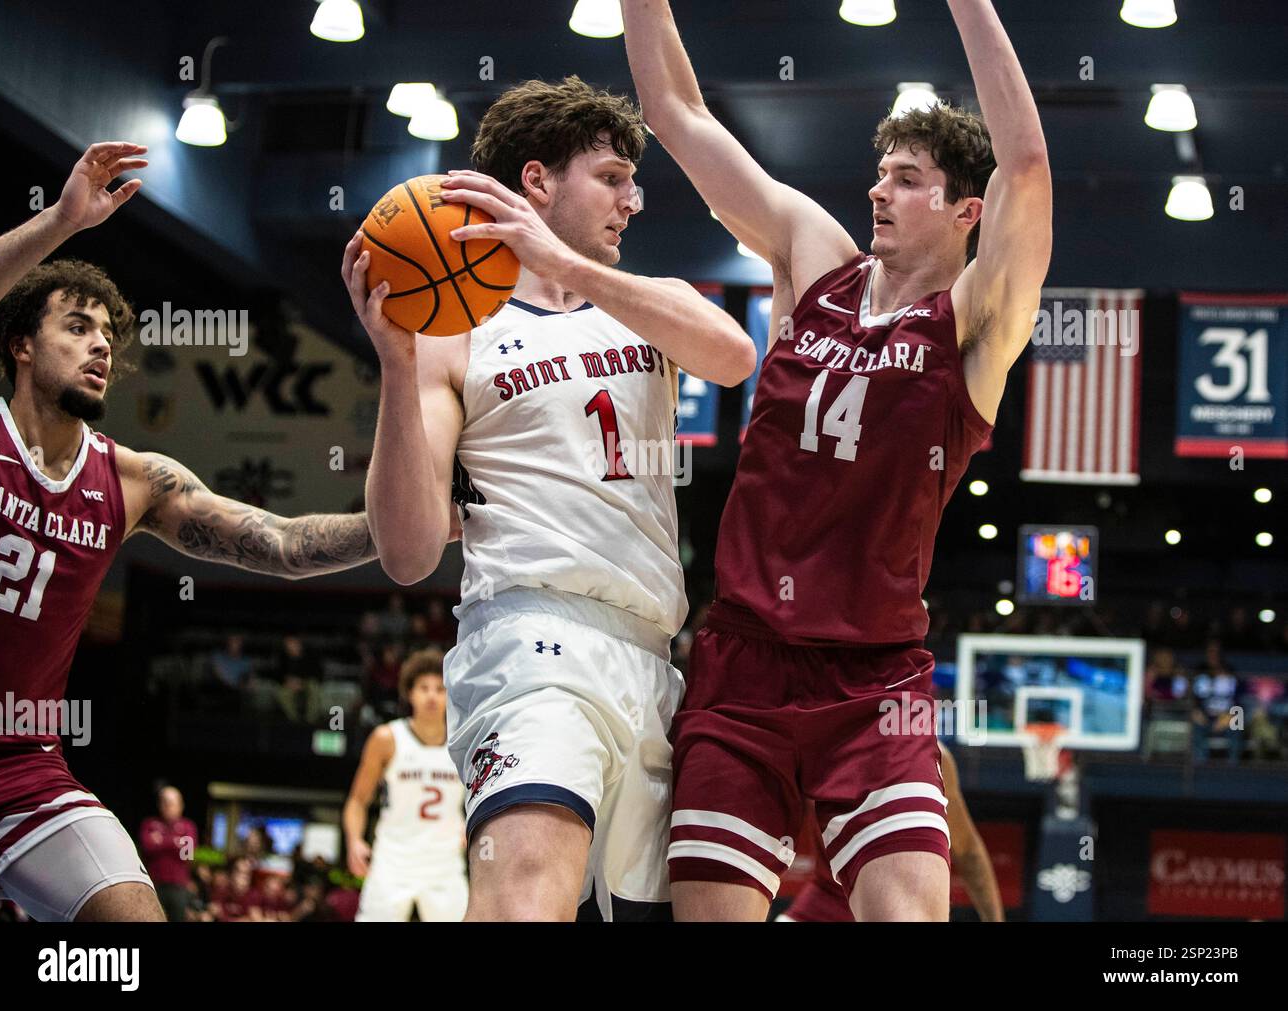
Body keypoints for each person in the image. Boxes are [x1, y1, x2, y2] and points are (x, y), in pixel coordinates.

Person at [622, 0, 1051, 921]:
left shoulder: (975, 324)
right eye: (880, 173)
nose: (879, 191)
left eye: (906, 178)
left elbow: (1026, 164)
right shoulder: (816, 259)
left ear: (965, 210)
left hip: (877, 679)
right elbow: (676, 112)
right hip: (743, 662)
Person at [344, 76, 756, 921]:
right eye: (611, 178)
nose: (633, 202)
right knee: (525, 890)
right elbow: (410, 551)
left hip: (651, 658)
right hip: (529, 642)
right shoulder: (452, 338)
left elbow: (731, 356)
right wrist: (394, 363)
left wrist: (566, 265)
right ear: (537, 183)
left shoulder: (655, 304)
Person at [0, 142, 381, 922]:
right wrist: (62, 222)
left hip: (22, 768)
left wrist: (414, 521)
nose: (103, 344)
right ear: (21, 346)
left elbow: (281, 542)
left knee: (132, 924)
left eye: (109, 333)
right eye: (77, 326)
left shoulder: (133, 480)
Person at [778, 745, 1005, 922]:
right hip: (826, 903)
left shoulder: (931, 755)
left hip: (901, 905)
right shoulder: (815, 742)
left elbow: (968, 852)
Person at [344, 649, 467, 921]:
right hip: (393, 860)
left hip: (444, 862)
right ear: (409, 693)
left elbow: (480, 797)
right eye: (424, 688)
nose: (432, 696)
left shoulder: (463, 743)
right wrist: (354, 841)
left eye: (440, 688)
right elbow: (357, 800)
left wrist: (472, 829)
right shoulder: (386, 738)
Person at [137, 784, 198, 922]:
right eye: (163, 802)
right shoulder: (149, 824)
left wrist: (161, 840)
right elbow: (147, 848)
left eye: (171, 803)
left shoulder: (188, 826)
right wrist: (176, 841)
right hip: (154, 885)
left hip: (178, 887)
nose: (167, 806)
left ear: (180, 805)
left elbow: (187, 855)